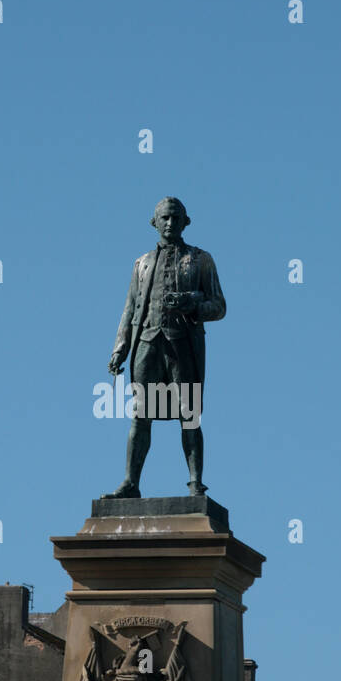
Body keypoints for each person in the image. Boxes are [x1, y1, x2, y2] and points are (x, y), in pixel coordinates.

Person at [104, 196, 225, 498]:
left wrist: (192, 303)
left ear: (186, 222)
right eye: (165, 218)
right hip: (146, 343)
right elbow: (130, 307)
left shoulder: (200, 259)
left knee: (189, 414)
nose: (170, 223)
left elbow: (219, 306)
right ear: (154, 222)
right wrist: (120, 347)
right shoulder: (141, 263)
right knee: (140, 416)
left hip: (182, 344)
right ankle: (131, 483)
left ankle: (195, 483)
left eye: (176, 218)